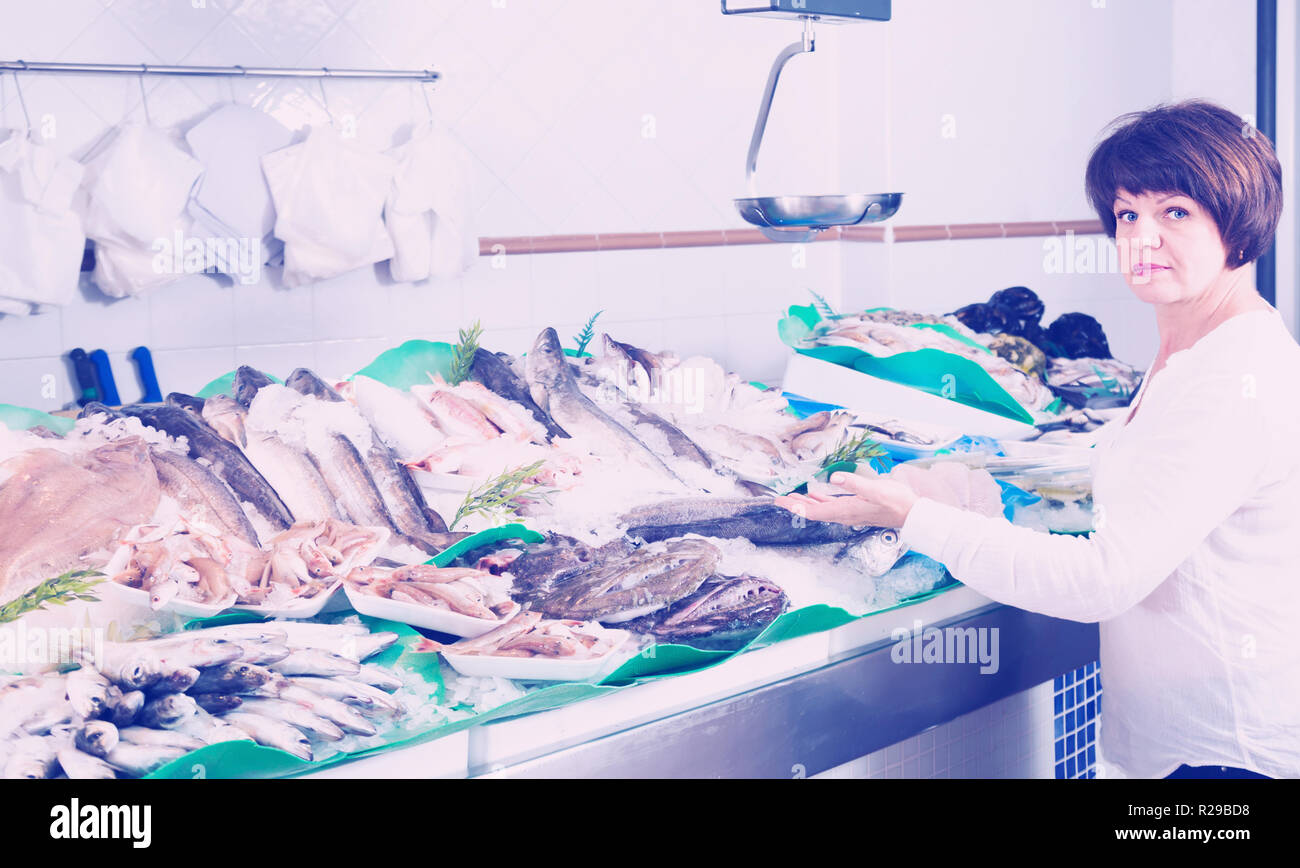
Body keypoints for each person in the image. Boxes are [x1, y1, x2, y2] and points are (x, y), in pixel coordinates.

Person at [774, 100, 1300, 780]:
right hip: (1186, 755)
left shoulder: (1235, 374)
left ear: (1238, 221)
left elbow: (1103, 582)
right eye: (1127, 215)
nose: (1143, 239)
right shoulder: (1189, 353)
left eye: (1176, 213)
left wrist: (916, 518)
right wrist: (961, 493)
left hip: (1228, 765)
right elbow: (1144, 514)